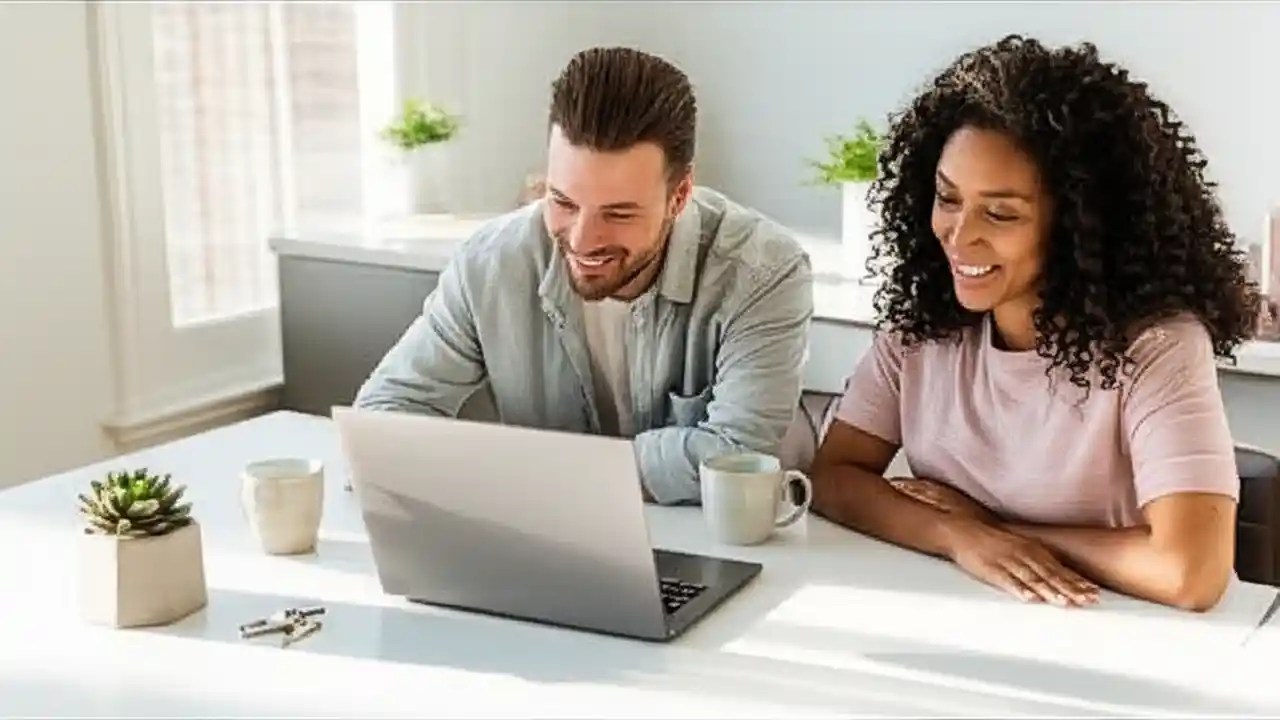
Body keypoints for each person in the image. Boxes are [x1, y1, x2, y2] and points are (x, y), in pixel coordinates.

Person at [811, 35, 1259, 612]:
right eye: (948, 199)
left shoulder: (1156, 349)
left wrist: (998, 530)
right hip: (960, 610)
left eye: (999, 213)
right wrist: (958, 537)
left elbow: (1188, 573)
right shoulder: (924, 325)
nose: (959, 234)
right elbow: (833, 477)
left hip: (1113, 632)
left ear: (1079, 227)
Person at [354, 47, 813, 505]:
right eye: (563, 201)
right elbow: (384, 417)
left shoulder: (764, 272)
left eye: (618, 213)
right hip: (553, 542)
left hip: (709, 549)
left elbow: (735, 454)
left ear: (680, 195)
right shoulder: (490, 264)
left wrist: (535, 468)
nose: (583, 239)